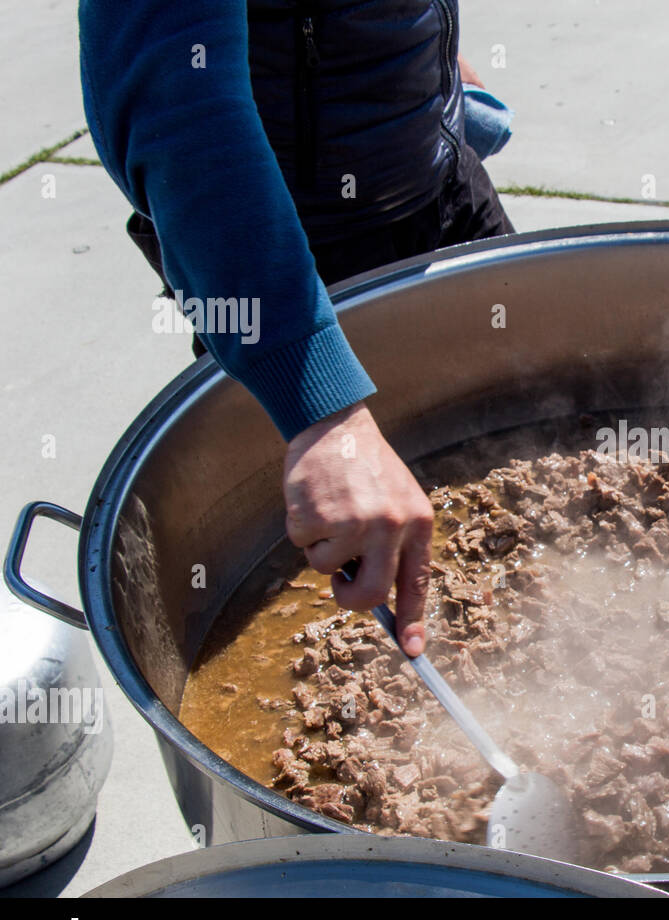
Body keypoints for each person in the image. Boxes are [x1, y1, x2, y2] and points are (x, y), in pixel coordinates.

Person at [79, 1, 516, 658]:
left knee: (529, 467)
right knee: (334, 555)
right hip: (288, 263)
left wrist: (431, 70)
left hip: (445, 185)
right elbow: (176, 105)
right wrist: (322, 408)